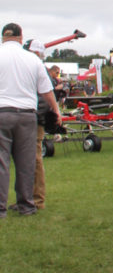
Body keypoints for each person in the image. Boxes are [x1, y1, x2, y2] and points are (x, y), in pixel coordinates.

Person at [0, 23, 61, 217]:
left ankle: (0, 208)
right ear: (20, 37)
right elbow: (46, 91)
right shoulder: (32, 60)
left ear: (3, 37)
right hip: (27, 115)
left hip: (2, 112)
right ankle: (26, 205)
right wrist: (57, 111)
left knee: (2, 162)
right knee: (26, 162)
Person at [28, 40, 52, 210]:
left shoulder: (36, 67)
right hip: (33, 117)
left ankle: (37, 200)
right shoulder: (37, 67)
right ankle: (29, 197)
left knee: (35, 159)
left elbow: (44, 96)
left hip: (34, 118)